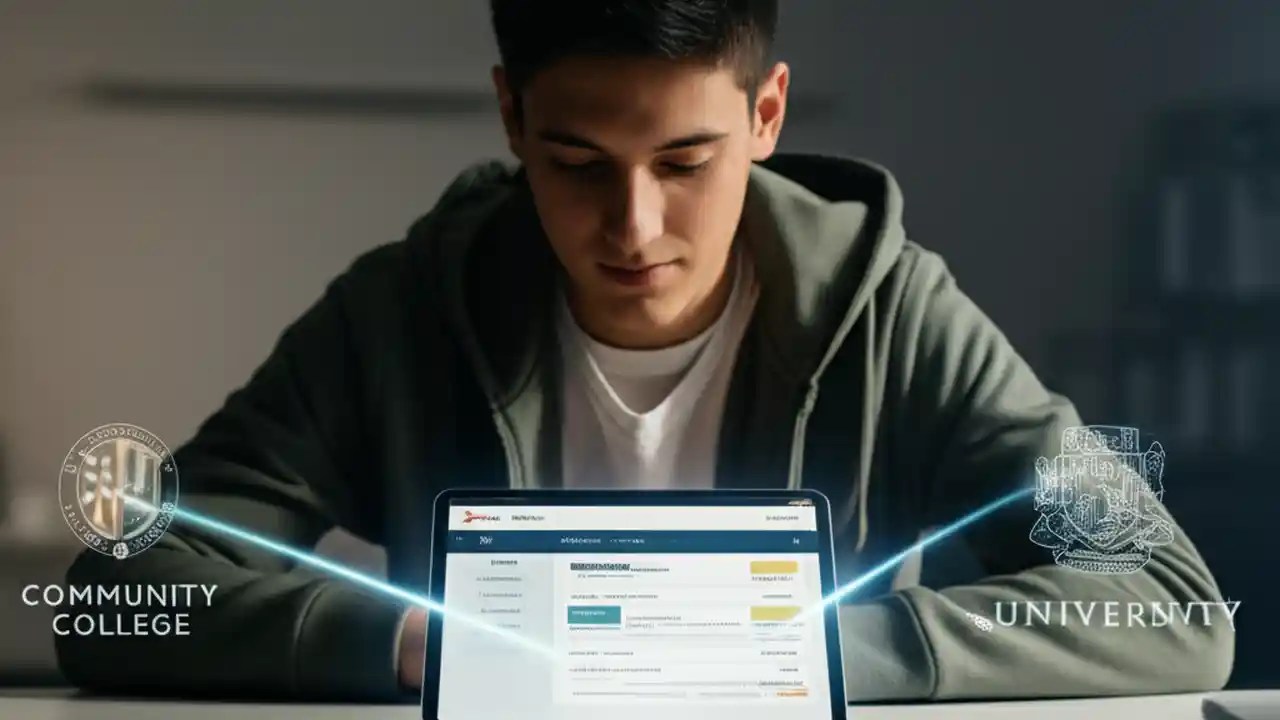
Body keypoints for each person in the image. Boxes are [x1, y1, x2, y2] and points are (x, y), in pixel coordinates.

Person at [56, 0, 1233, 703]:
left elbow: (1171, 605)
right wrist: (414, 644)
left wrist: (806, 655)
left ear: (767, 115)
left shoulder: (893, 313)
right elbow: (114, 600)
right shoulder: (399, 310)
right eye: (575, 165)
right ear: (510, 114)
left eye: (683, 163)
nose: (632, 229)